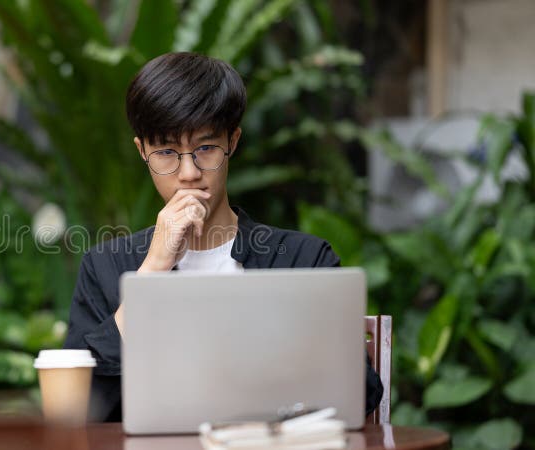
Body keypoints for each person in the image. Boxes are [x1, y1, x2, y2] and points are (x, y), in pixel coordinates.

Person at [63, 52, 383, 422]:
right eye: (166, 152)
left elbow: (361, 392)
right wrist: (150, 272)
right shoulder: (105, 267)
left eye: (205, 148)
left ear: (232, 141)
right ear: (142, 151)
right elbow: (77, 408)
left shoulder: (303, 260)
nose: (188, 173)